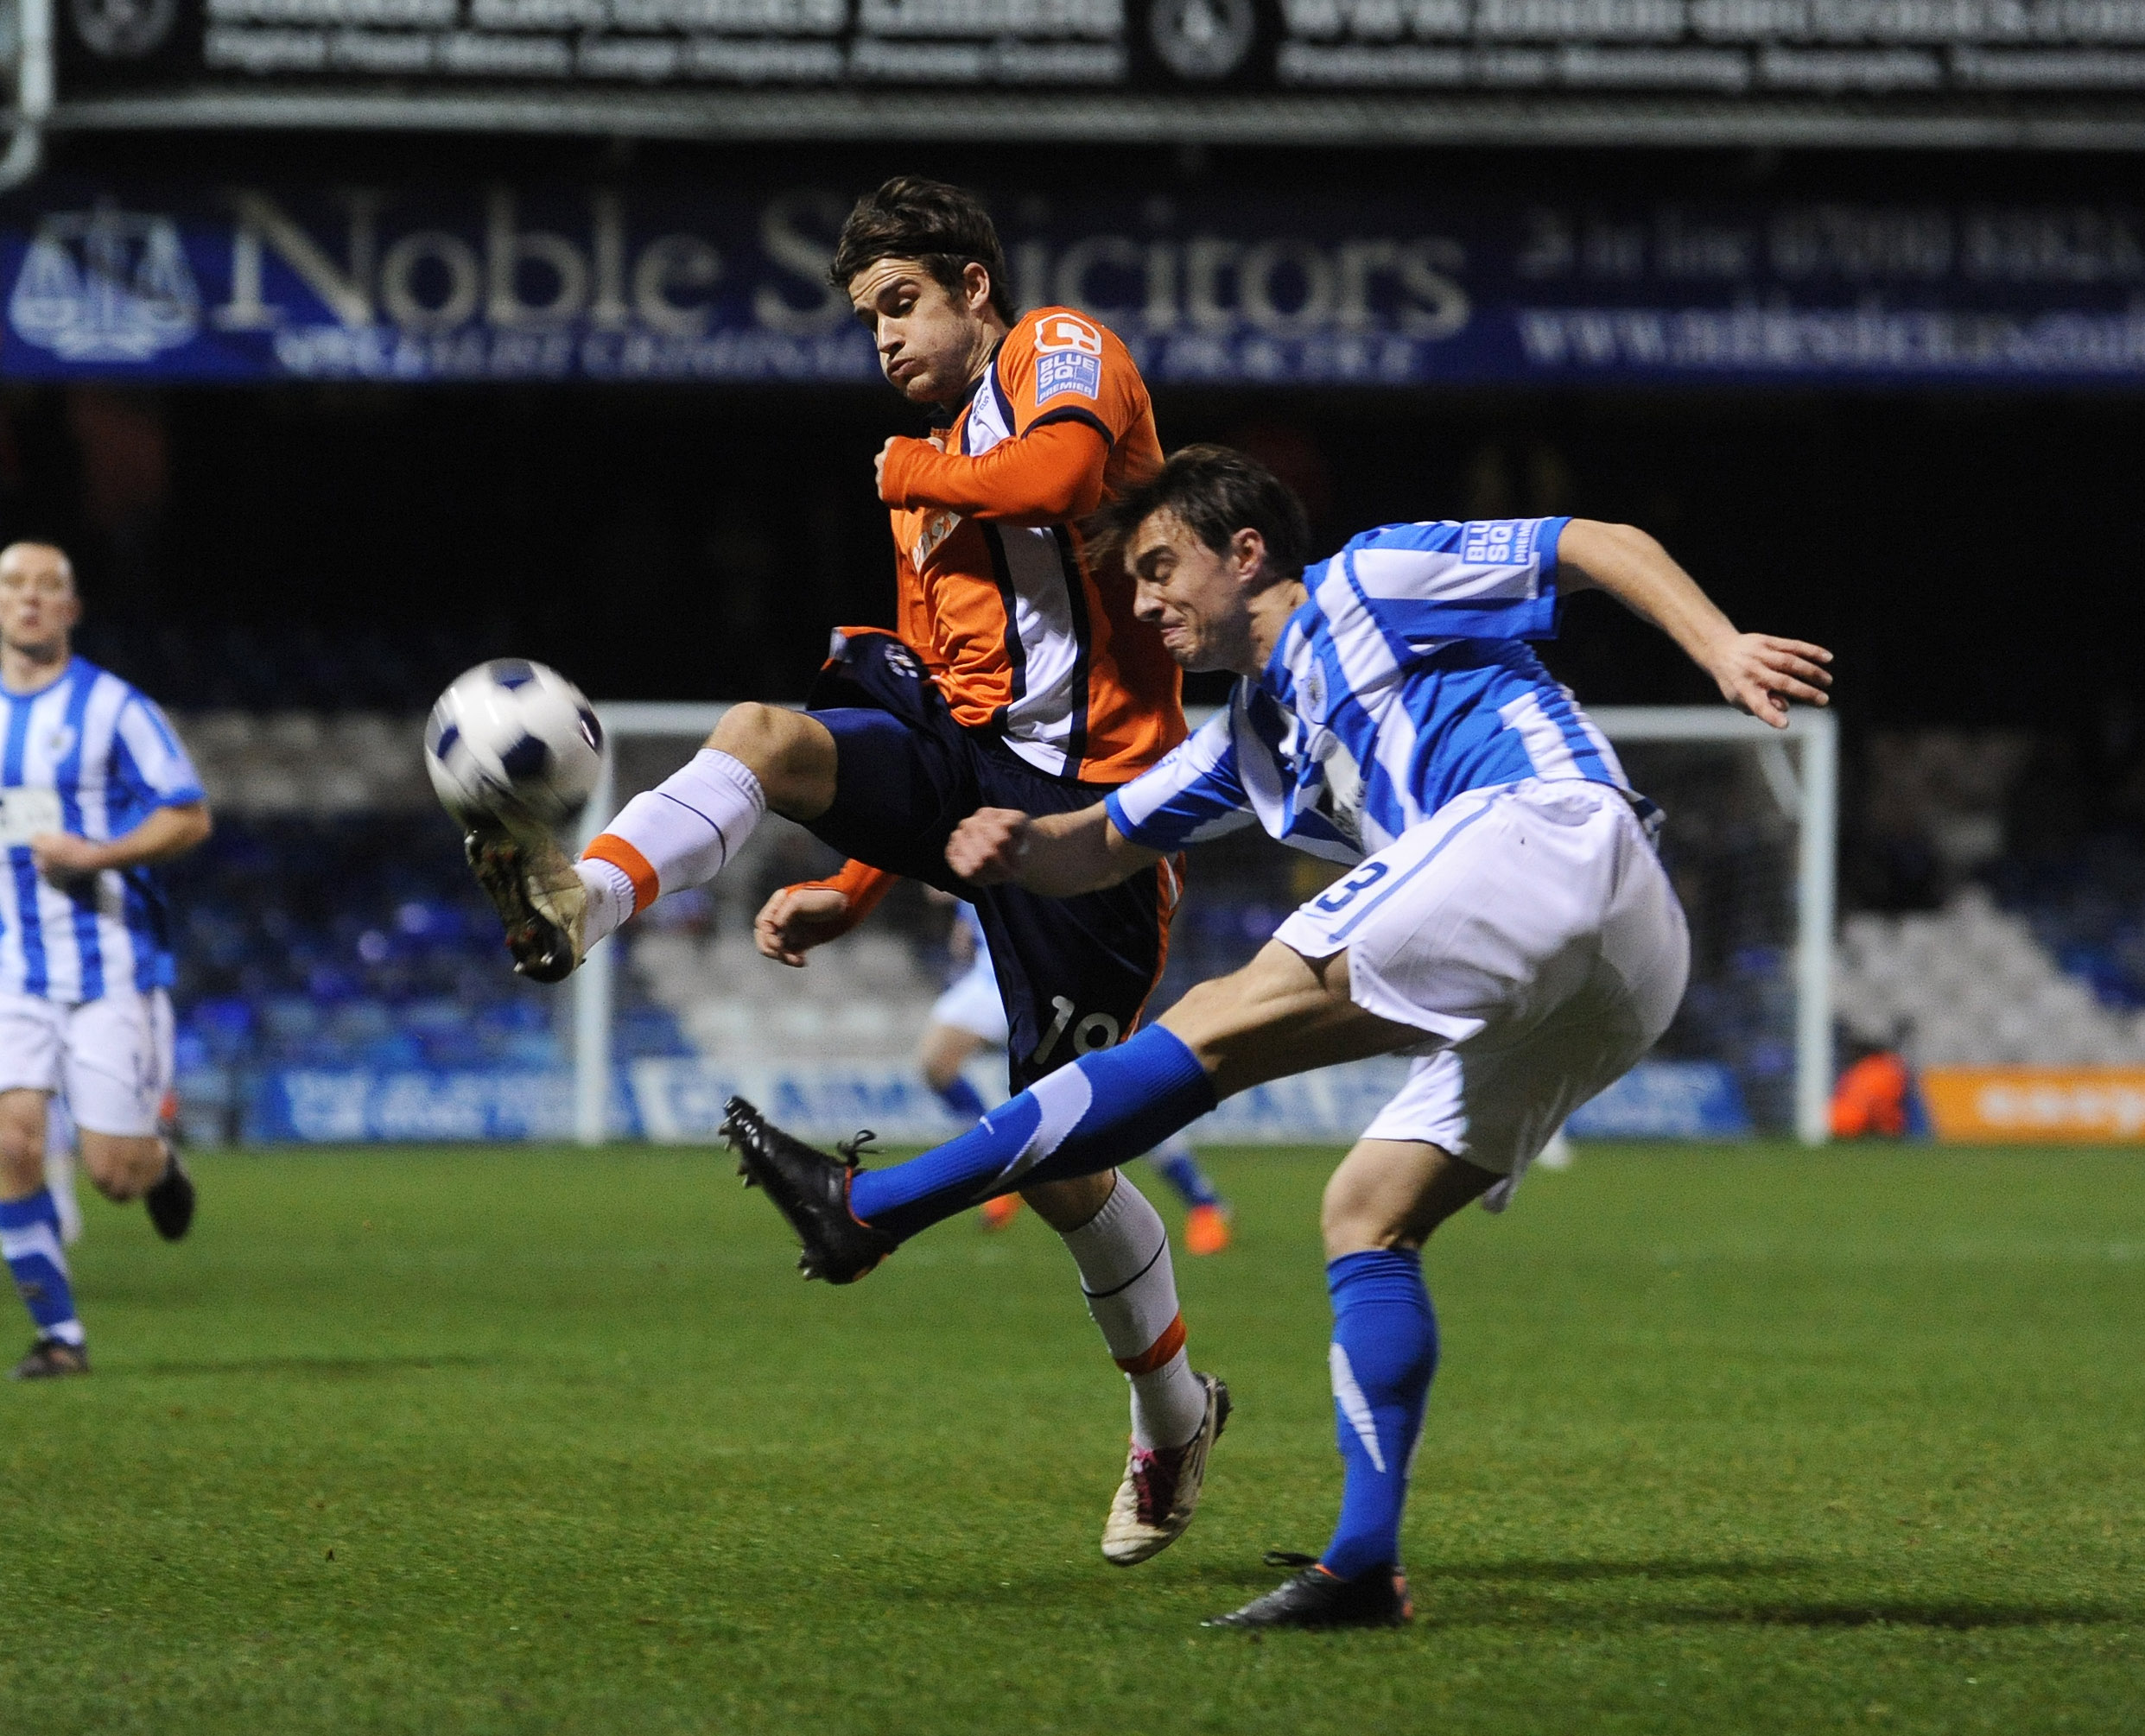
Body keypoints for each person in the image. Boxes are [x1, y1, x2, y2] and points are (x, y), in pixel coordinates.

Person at [720, 445, 1832, 1627]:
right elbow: (1100, 845)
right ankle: (1362, 1569)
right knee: (1366, 1214)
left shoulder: (1367, 579)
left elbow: (1592, 543)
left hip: (1546, 832)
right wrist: (1011, 845)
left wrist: (1719, 646)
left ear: (1245, 551)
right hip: (1621, 963)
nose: (1143, 602)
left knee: (1214, 1020)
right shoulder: (1247, 733)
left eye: (1159, 567)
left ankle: (871, 1211)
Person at [466, 178, 1227, 1565]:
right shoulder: (923, 479)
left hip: (1095, 826)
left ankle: (1174, 1415)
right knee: (766, 733)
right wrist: (854, 881)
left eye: (902, 303)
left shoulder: (1057, 350)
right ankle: (588, 897)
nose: (882, 338)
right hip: (970, 773)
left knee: (1070, 1162)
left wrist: (911, 473)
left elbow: (1058, 481)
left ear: (973, 289)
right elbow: (937, 696)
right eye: (867, 316)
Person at [0, 542, 212, 1380]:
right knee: (10, 1144)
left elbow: (188, 815)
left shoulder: (116, 708)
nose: (29, 598)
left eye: (47, 586)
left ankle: (159, 1166)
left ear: (71, 610)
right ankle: (61, 1338)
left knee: (112, 1176)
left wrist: (96, 854)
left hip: (111, 969)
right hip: (14, 966)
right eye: (14, 584)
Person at [919, 895, 1233, 1248]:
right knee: (935, 1064)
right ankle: (1003, 1169)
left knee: (1115, 1096)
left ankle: (1203, 1202)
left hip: (1048, 977)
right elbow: (940, 892)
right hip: (992, 978)